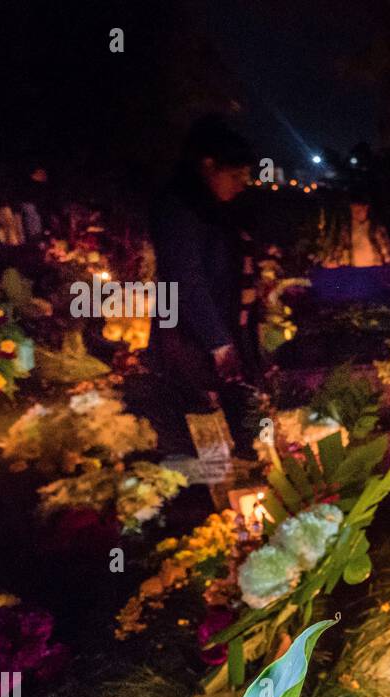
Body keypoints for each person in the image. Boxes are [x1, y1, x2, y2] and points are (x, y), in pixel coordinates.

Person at [146, 115, 259, 456]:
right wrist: (220, 343)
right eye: (236, 174)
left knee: (235, 420)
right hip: (190, 336)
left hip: (216, 331)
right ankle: (213, 494)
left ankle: (237, 484)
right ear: (208, 166)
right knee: (202, 420)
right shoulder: (180, 209)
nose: (242, 184)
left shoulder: (212, 209)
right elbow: (187, 278)